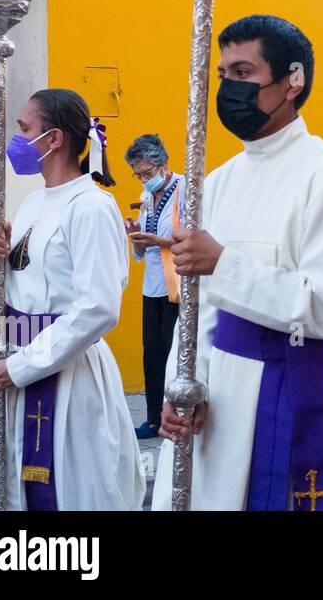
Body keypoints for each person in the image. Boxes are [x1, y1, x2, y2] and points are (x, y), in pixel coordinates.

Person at [152, 14, 323, 511]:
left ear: (292, 80)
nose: (230, 88)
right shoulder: (219, 181)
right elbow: (199, 307)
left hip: (290, 385)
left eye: (244, 73)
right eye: (224, 75)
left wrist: (224, 264)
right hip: (217, 403)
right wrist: (183, 383)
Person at [0, 89, 144, 510]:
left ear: (53, 139)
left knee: (74, 488)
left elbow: (97, 308)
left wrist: (22, 366)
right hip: (16, 357)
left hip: (67, 373)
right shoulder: (32, 204)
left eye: (24, 129)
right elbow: (18, 287)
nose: (16, 139)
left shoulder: (91, 207)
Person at [123, 133, 185, 440]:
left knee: (174, 351)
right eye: (139, 174)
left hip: (178, 285)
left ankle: (175, 414)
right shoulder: (147, 199)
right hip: (152, 285)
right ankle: (152, 419)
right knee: (153, 352)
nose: (143, 179)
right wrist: (135, 235)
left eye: (147, 173)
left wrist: (160, 242)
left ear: (163, 165)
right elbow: (141, 252)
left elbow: (196, 236)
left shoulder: (185, 190)